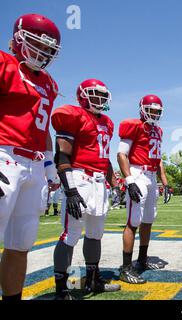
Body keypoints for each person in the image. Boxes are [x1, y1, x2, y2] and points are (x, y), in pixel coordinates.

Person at [0, 13, 61, 301]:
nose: (43, 53)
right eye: (38, 44)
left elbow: (43, 126)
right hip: (4, 154)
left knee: (21, 242)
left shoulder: (48, 82)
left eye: (48, 49)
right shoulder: (4, 63)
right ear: (20, 38)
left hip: (34, 163)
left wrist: (50, 168)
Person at [51, 79, 121, 300]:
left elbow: (105, 158)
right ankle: (62, 288)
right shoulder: (73, 114)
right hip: (79, 177)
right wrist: (70, 190)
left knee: (95, 234)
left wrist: (116, 183)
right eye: (94, 94)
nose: (99, 99)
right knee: (70, 234)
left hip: (99, 182)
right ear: (82, 95)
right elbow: (62, 155)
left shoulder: (108, 122)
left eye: (102, 95)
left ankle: (93, 280)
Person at [117, 94, 168, 284]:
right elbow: (121, 154)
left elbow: (158, 157)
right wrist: (129, 180)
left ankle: (142, 260)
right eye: (151, 109)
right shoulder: (134, 125)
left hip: (152, 175)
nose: (154, 113)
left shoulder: (158, 130)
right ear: (142, 108)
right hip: (137, 173)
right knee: (133, 221)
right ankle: (126, 268)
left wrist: (163, 178)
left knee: (148, 220)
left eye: (157, 111)